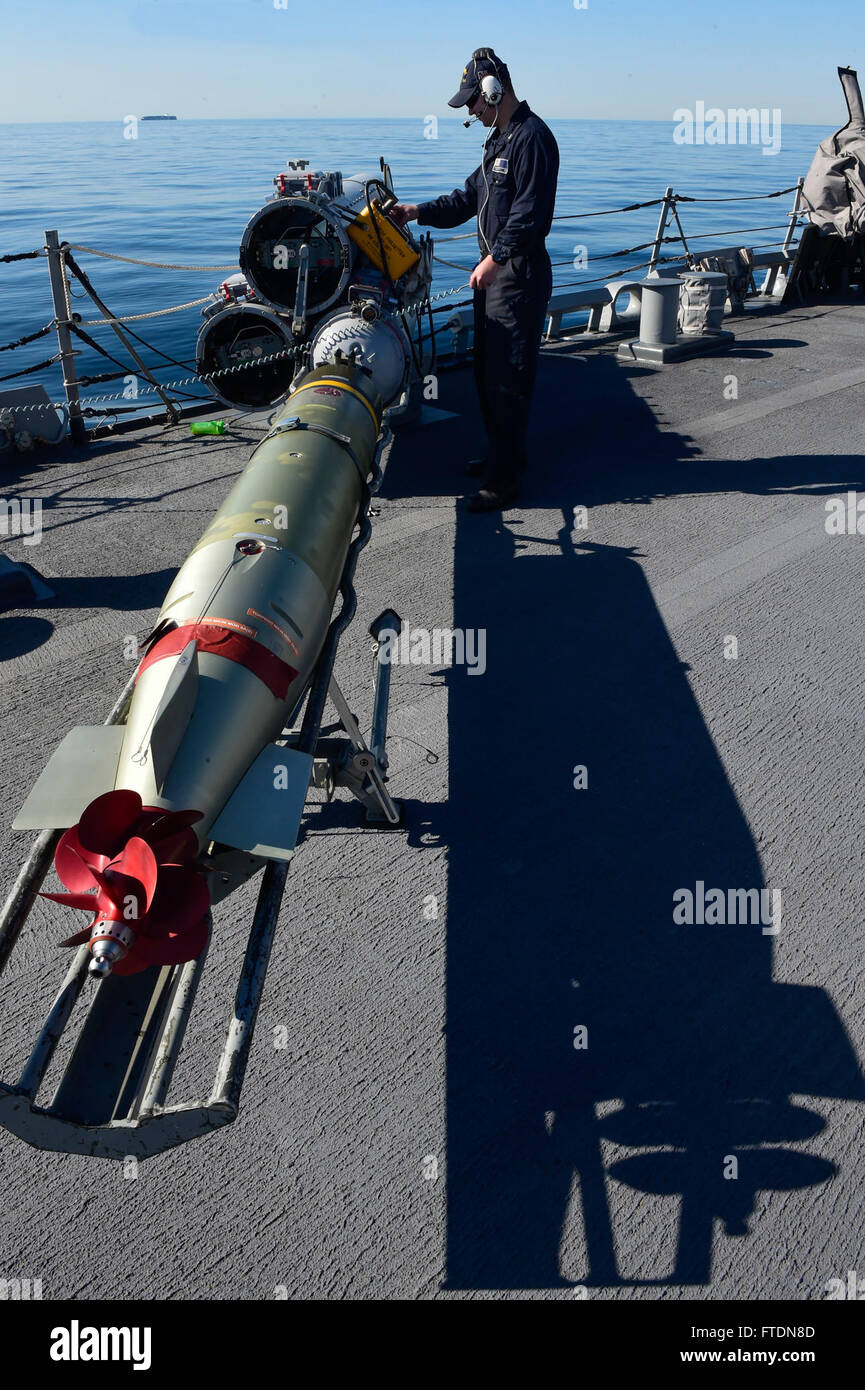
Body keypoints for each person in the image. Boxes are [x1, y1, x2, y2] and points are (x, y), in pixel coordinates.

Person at [391, 48, 559, 512]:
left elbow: (530, 215)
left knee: (510, 376)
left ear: (493, 90)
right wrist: (417, 211)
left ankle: (504, 481)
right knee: (490, 375)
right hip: (496, 279)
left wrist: (495, 259)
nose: (469, 110)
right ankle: (504, 455)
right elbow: (468, 197)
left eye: (472, 101)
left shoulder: (533, 139)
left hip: (517, 277)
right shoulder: (498, 142)